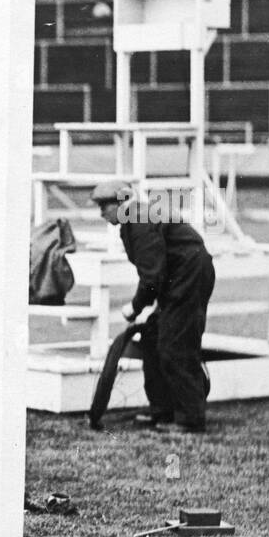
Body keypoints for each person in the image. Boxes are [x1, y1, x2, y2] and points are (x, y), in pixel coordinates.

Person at [92, 179, 216, 433]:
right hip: (182, 277)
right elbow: (156, 273)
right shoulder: (137, 217)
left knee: (175, 347)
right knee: (152, 338)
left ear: (121, 203)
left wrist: (135, 307)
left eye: (104, 206)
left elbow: (152, 276)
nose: (101, 213)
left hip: (188, 278)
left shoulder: (138, 221)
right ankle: (163, 411)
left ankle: (190, 420)